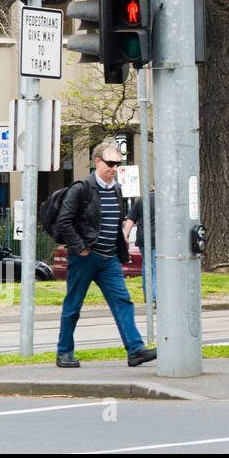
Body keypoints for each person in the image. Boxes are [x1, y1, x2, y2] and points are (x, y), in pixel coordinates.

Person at [54, 140, 156, 368]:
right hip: (84, 258)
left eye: (117, 164)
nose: (113, 168)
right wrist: (80, 248)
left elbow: (116, 222)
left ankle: (135, 350)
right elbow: (64, 220)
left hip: (109, 259)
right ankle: (64, 352)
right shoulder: (82, 188)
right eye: (110, 163)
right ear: (97, 161)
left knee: (123, 302)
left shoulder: (117, 189)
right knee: (73, 305)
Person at [123, 186, 155, 305]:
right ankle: (155, 296)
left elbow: (131, 219)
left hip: (142, 238)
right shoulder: (165, 200)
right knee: (156, 266)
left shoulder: (142, 200)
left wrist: (125, 235)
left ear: (152, 186)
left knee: (147, 265)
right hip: (159, 238)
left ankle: (148, 294)